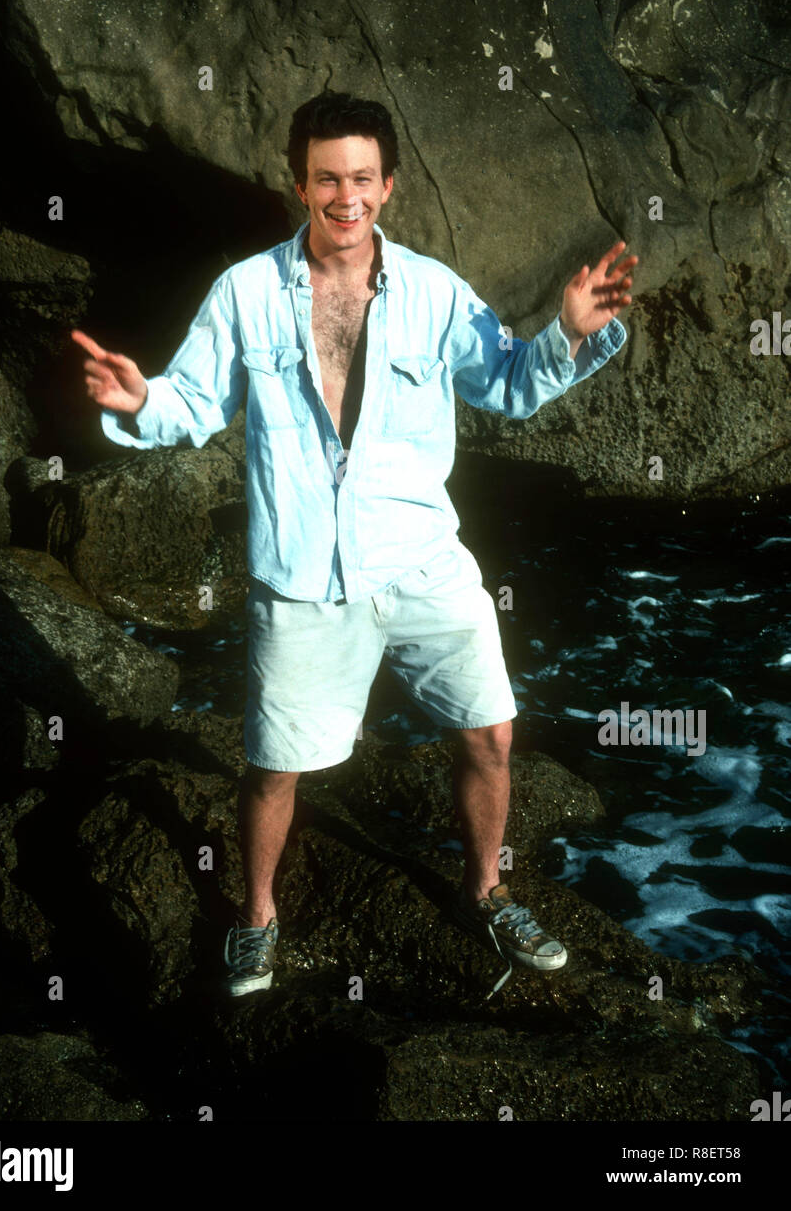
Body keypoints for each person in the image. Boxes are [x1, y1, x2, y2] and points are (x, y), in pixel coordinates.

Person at [73, 91, 636, 1001]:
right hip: (301, 577)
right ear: (299, 182)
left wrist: (566, 334)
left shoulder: (436, 291)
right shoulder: (247, 293)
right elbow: (192, 401)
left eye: (363, 178)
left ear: (390, 186)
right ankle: (258, 917)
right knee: (273, 766)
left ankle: (486, 890)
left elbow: (506, 385)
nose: (347, 197)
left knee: (490, 733)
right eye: (328, 178)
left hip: (420, 559)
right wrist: (140, 404)